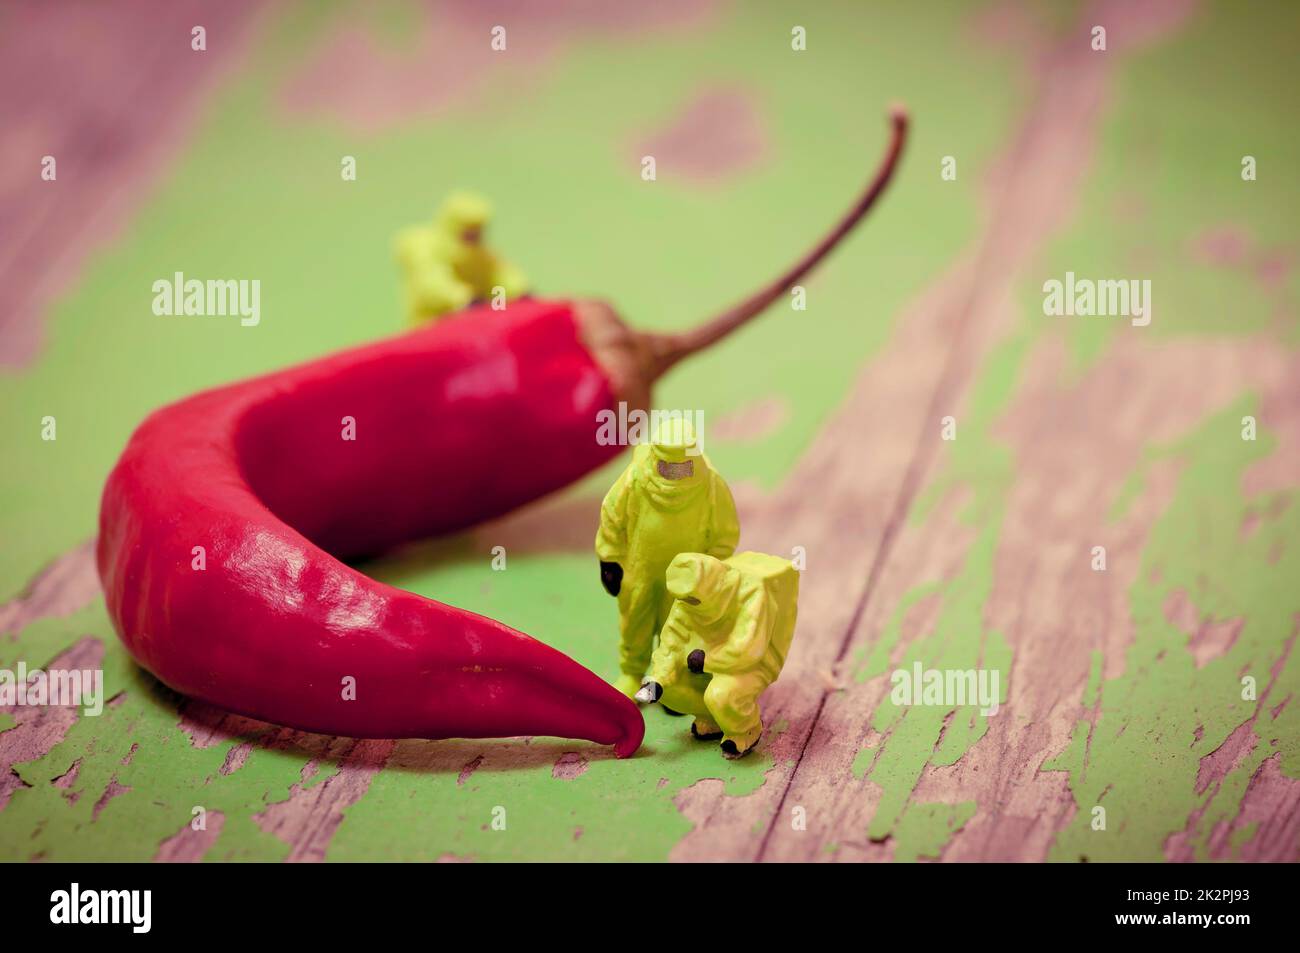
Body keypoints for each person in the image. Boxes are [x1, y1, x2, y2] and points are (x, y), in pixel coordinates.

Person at [595, 417, 739, 698]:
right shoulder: (636, 478)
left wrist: (710, 571)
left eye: (681, 468)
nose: (674, 474)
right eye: (668, 468)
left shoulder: (710, 484)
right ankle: (632, 672)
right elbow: (613, 515)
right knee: (636, 621)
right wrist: (609, 557)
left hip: (687, 578)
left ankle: (673, 682)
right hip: (641, 570)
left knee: (679, 628)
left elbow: (725, 532)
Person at [637, 551, 799, 758]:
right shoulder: (689, 599)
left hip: (748, 664)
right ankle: (711, 719)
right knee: (668, 691)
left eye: (691, 599)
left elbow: (748, 647)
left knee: (721, 695)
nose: (685, 603)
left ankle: (744, 729)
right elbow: (672, 641)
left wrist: (707, 660)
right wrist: (658, 679)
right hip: (702, 661)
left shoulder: (751, 594)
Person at [394, 191, 529, 325]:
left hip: (470, 322)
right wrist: (463, 299)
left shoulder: (480, 251)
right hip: (430, 324)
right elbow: (430, 283)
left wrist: (516, 293)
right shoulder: (424, 246)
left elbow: (499, 278)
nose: (475, 236)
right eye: (469, 231)